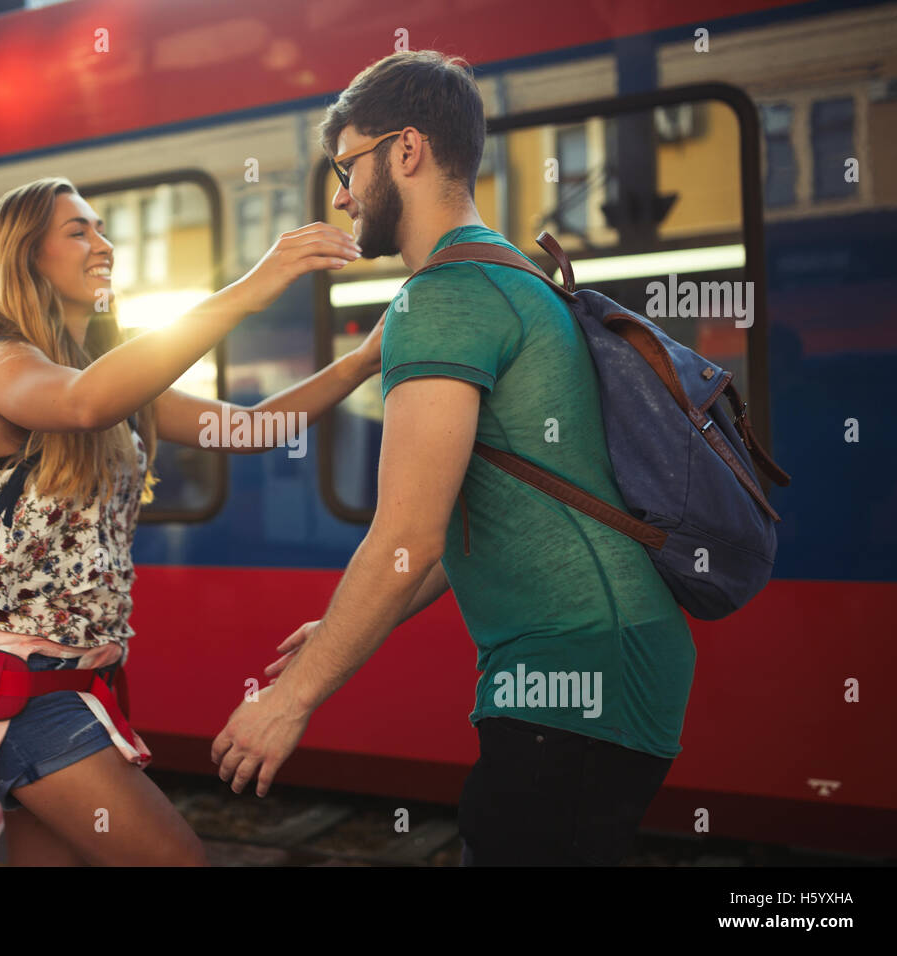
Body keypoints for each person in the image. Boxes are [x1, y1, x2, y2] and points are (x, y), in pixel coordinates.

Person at [211, 50, 696, 866]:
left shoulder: (440, 297)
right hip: (607, 662)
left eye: (346, 165)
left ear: (406, 152)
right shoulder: (513, 275)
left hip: (570, 676)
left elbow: (406, 539)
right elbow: (471, 526)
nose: (339, 195)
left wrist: (288, 701)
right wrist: (343, 626)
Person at [0, 176, 380, 866]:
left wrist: (364, 361)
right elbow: (83, 405)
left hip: (79, 682)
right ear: (26, 255)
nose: (104, 245)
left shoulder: (108, 374)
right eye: (79, 231)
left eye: (100, 228)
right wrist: (256, 283)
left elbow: (249, 428)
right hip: (19, 690)